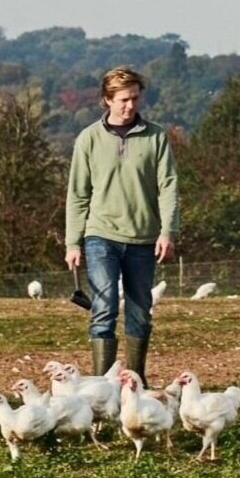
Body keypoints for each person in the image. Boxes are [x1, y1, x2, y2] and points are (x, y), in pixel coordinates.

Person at [65, 66, 179, 382]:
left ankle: (135, 383)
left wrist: (167, 231)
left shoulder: (156, 136)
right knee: (104, 309)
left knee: (140, 311)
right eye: (124, 100)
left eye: (135, 98)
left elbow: (168, 185)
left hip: (144, 238)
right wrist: (73, 242)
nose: (130, 105)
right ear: (107, 100)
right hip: (100, 235)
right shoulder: (88, 139)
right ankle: (103, 388)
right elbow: (77, 193)